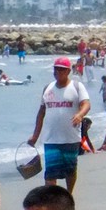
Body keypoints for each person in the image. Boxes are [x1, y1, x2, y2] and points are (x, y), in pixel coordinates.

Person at [28, 57, 91, 191]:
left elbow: (86, 104)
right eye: (56, 69)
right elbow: (41, 112)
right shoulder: (48, 88)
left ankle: (69, 195)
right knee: (50, 172)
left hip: (70, 138)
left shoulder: (76, 86)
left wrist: (80, 115)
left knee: (70, 170)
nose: (58, 72)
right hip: (51, 139)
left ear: (68, 71)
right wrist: (35, 136)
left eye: (61, 69)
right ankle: (52, 201)